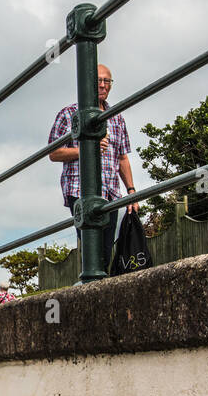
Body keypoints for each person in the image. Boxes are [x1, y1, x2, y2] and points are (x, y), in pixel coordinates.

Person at [47, 63, 139, 271]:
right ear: (87, 82)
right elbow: (54, 153)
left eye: (107, 81)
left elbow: (122, 157)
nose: (103, 85)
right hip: (79, 189)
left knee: (106, 250)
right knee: (91, 246)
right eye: (99, 80)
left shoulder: (116, 116)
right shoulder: (69, 114)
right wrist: (88, 149)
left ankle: (96, 288)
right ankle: (89, 282)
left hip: (111, 191)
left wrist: (131, 191)